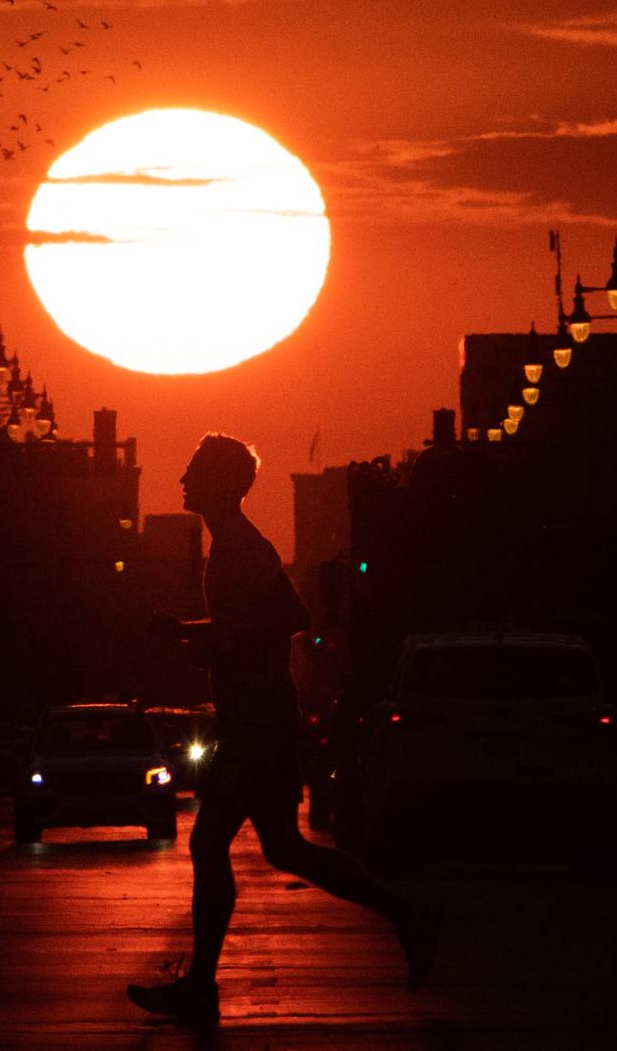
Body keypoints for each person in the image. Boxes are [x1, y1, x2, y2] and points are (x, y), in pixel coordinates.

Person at [125, 433, 442, 1022]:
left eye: (194, 470)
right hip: (258, 721)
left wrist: (206, 637)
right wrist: (198, 634)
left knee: (208, 843)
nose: (183, 480)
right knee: (285, 849)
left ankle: (200, 986)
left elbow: (285, 618)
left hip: (256, 726)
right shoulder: (232, 546)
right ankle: (406, 916)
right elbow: (247, 626)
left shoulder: (242, 547)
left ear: (222, 482)